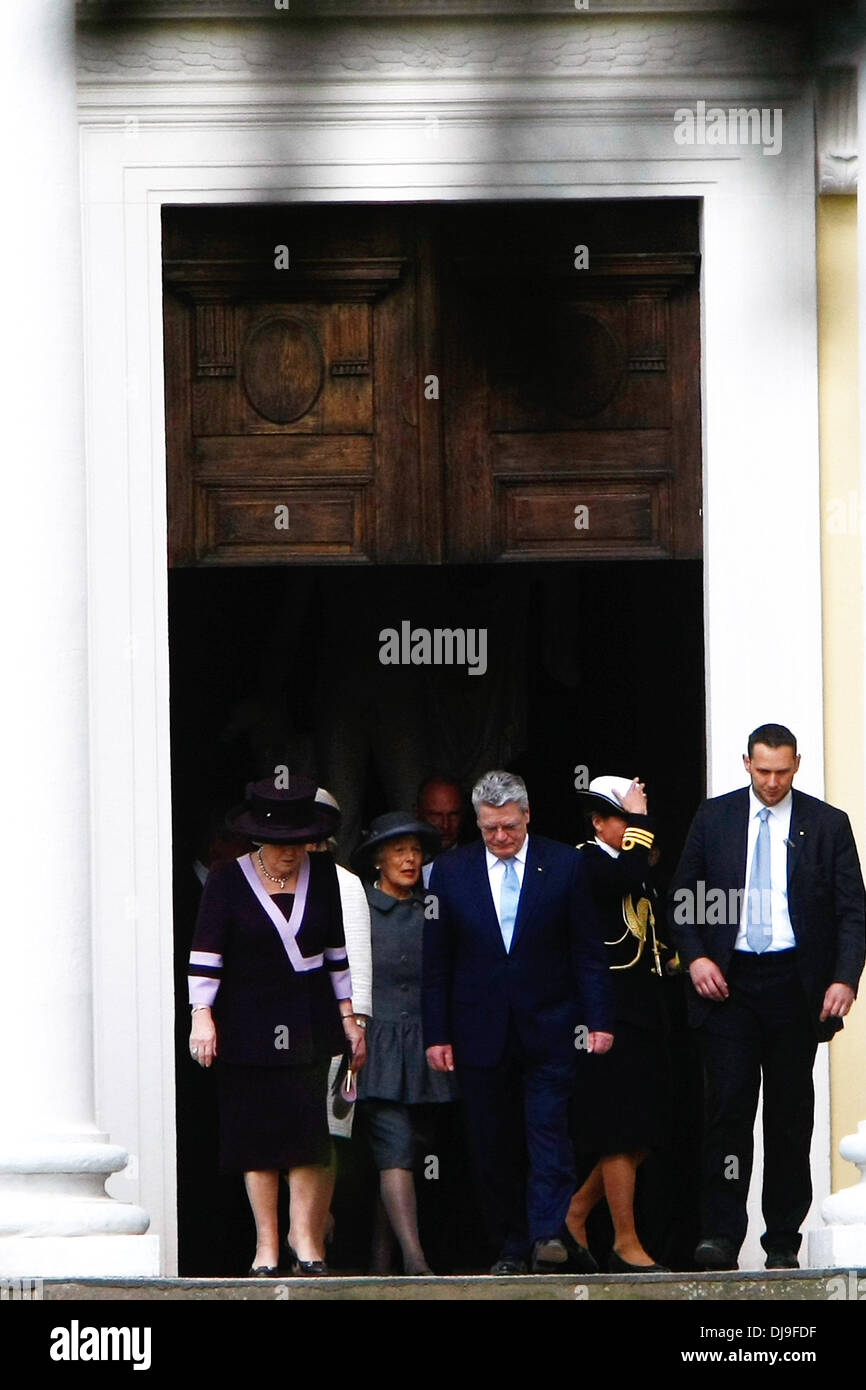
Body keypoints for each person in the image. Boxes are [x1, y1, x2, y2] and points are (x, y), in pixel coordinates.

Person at [669, 723, 866, 1270]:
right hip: (728, 986)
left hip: (794, 986)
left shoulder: (827, 825)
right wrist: (698, 958)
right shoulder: (715, 818)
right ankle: (720, 1235)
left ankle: (782, 1239)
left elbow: (853, 910)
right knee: (728, 1111)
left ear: (797, 764)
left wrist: (844, 978)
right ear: (746, 764)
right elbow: (682, 898)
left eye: (782, 771)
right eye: (763, 771)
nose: (773, 781)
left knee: (788, 1116)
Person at [423, 770, 613, 1275]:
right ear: (478, 823)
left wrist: (598, 1019)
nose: (501, 837)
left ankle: (548, 1234)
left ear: (527, 815)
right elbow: (437, 961)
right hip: (478, 1032)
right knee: (493, 1142)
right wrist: (437, 1033)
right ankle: (510, 1244)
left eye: (509, 826)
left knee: (549, 1132)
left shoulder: (566, 865)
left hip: (552, 1026)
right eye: (490, 829)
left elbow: (588, 952)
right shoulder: (450, 871)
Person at [187, 775, 366, 1276]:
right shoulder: (226, 879)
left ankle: (305, 1240)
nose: (290, 853)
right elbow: (205, 956)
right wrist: (202, 1017)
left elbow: (337, 954)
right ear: (259, 838)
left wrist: (349, 1019)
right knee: (255, 1137)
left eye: (298, 842)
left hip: (309, 1022)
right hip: (244, 1024)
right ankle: (266, 1247)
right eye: (280, 843)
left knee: (308, 1135)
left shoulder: (325, 874)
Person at [565, 775, 671, 1273]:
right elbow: (625, 878)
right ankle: (625, 1241)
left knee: (642, 1132)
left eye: (635, 822)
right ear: (598, 822)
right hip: (604, 1015)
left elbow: (646, 925)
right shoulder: (585, 861)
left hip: (642, 1011)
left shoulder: (628, 865)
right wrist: (643, 824)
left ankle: (577, 1209)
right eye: (624, 821)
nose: (633, 832)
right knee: (617, 1132)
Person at [351, 812, 457, 1275]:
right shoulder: (358, 909)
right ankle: (416, 1262)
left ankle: (381, 1261)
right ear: (378, 858)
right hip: (377, 1045)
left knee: (407, 1155)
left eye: (414, 849)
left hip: (427, 1049)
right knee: (394, 1148)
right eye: (397, 849)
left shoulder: (434, 908)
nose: (409, 858)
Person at [416, 774, 464, 888]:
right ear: (417, 812)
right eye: (435, 816)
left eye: (453, 815)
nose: (445, 825)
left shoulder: (479, 862)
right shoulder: (402, 866)